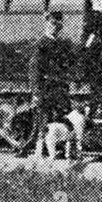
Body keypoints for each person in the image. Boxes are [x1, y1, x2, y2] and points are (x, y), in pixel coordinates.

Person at [28, 12, 73, 153]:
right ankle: (30, 149)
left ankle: (52, 148)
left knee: (55, 120)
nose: (55, 27)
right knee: (42, 122)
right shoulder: (41, 44)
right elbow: (35, 69)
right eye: (53, 23)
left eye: (58, 24)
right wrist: (36, 92)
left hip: (57, 88)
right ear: (46, 24)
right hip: (45, 88)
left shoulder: (58, 43)